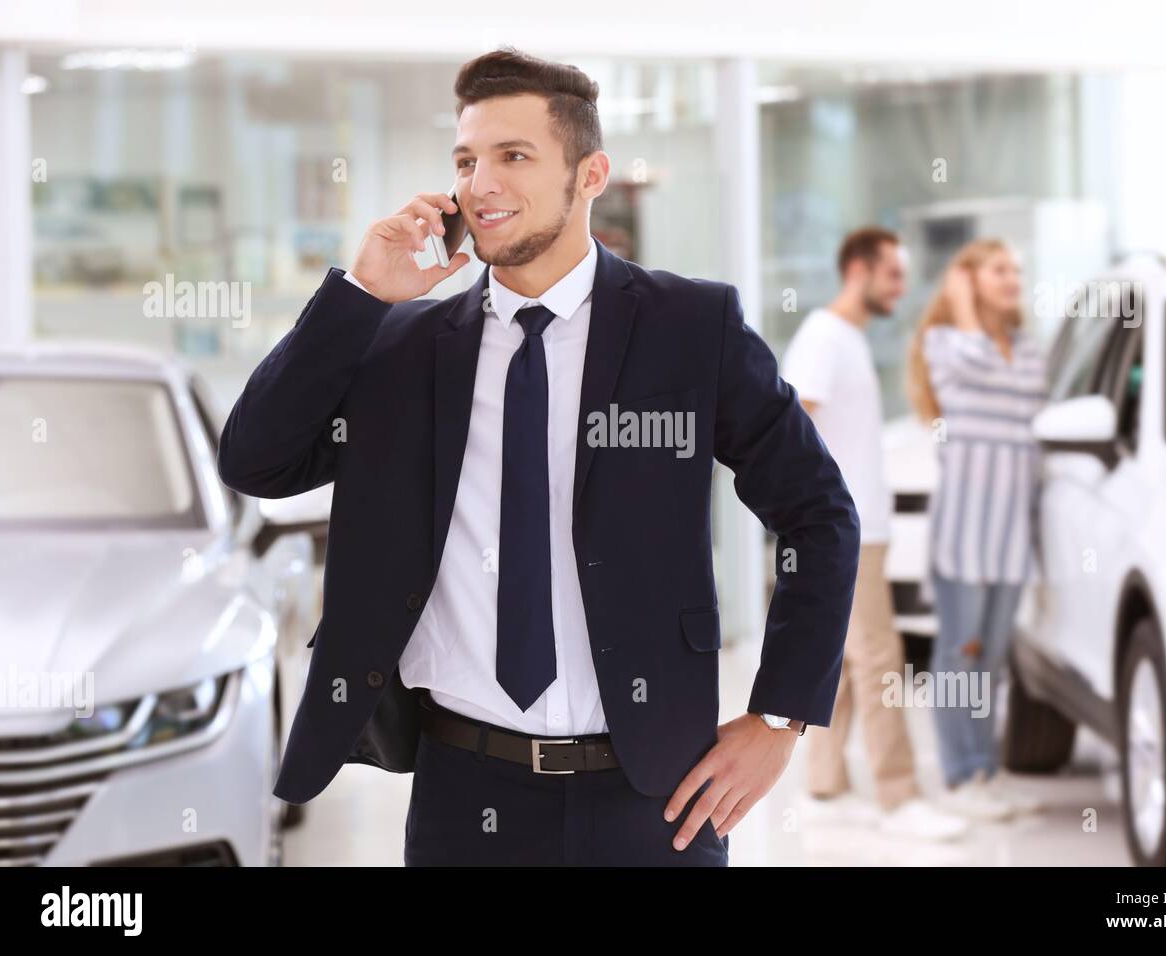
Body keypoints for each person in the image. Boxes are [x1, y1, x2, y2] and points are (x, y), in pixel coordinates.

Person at [217, 47, 860, 866]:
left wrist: (779, 719)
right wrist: (358, 295)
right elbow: (255, 461)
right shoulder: (401, 348)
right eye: (466, 160)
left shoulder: (689, 329)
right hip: (464, 796)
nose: (480, 183)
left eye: (513, 156)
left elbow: (819, 514)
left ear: (590, 175)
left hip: (655, 794)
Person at [781, 228, 967, 842]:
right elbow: (793, 428)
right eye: (893, 274)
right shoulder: (824, 339)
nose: (902, 286)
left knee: (846, 661)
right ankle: (899, 795)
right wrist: (816, 519)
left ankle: (825, 784)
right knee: (880, 658)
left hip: (859, 528)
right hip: (845, 531)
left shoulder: (848, 339)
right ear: (859, 271)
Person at [905, 238, 1047, 821]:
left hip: (1014, 539)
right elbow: (974, 368)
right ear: (966, 279)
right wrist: (963, 309)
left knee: (990, 661)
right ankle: (962, 777)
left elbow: (1015, 387)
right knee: (959, 657)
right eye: (999, 269)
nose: (1013, 277)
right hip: (965, 535)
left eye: (1016, 267)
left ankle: (987, 769)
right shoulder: (944, 341)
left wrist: (983, 344)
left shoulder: (1029, 350)